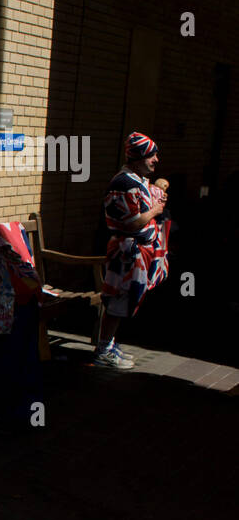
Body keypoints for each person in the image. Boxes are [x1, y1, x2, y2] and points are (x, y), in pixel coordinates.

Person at [95, 132, 171, 370]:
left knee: (124, 299)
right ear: (138, 157)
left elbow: (146, 197)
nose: (156, 160)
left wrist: (157, 192)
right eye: (152, 156)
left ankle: (108, 343)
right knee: (118, 301)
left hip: (134, 253)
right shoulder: (124, 183)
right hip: (126, 253)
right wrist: (155, 211)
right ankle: (103, 350)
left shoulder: (136, 180)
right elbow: (131, 222)